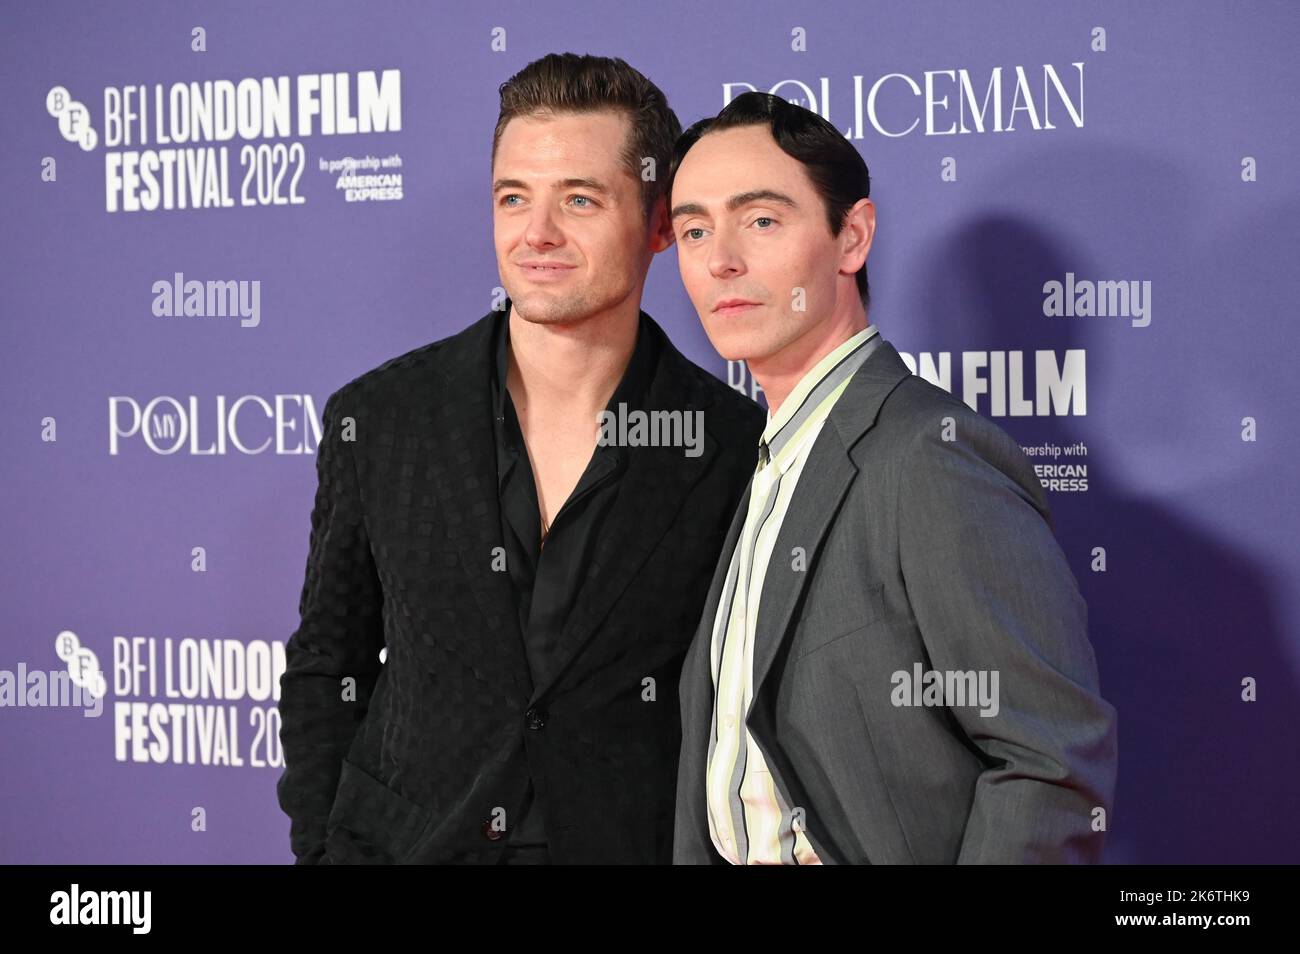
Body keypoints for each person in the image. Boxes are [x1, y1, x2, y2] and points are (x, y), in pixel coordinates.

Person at [277, 53, 764, 864]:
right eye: (513, 199)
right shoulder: (381, 418)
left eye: (578, 199)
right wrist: (323, 849)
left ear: (660, 226)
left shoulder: (729, 442)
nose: (535, 234)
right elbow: (329, 662)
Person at [668, 92, 1118, 864]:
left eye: (762, 220)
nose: (720, 259)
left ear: (853, 237)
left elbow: (1048, 764)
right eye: (694, 229)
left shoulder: (929, 455)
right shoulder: (768, 456)